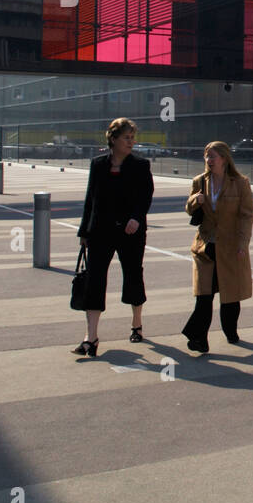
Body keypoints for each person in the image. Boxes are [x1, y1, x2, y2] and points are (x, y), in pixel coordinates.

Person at [73, 118, 154, 357]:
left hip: (130, 232)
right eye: (127, 138)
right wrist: (83, 232)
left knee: (133, 274)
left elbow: (146, 196)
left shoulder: (140, 165)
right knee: (94, 279)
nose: (131, 142)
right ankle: (91, 337)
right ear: (114, 139)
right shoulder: (98, 164)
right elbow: (91, 199)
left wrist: (136, 218)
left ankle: (136, 324)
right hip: (100, 231)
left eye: (132, 137)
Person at [181, 141, 253, 353]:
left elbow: (246, 215)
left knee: (230, 294)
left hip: (230, 247)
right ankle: (199, 339)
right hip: (204, 247)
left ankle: (230, 331)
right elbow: (188, 208)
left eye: (212, 156)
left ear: (224, 159)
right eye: (206, 156)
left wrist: (242, 243)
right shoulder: (199, 182)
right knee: (204, 296)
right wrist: (196, 199)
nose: (209, 160)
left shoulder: (240, 183)